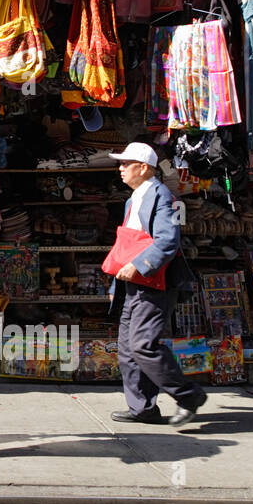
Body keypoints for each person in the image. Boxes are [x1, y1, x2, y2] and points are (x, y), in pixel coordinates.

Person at [105, 141, 206, 426]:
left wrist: (137, 266)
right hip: (131, 283)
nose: (121, 168)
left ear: (144, 168)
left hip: (154, 281)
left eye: (126, 163)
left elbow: (168, 241)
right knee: (127, 347)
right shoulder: (133, 198)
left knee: (143, 345)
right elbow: (129, 242)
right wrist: (118, 280)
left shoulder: (164, 197)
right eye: (121, 163)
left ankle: (188, 395)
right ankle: (143, 408)